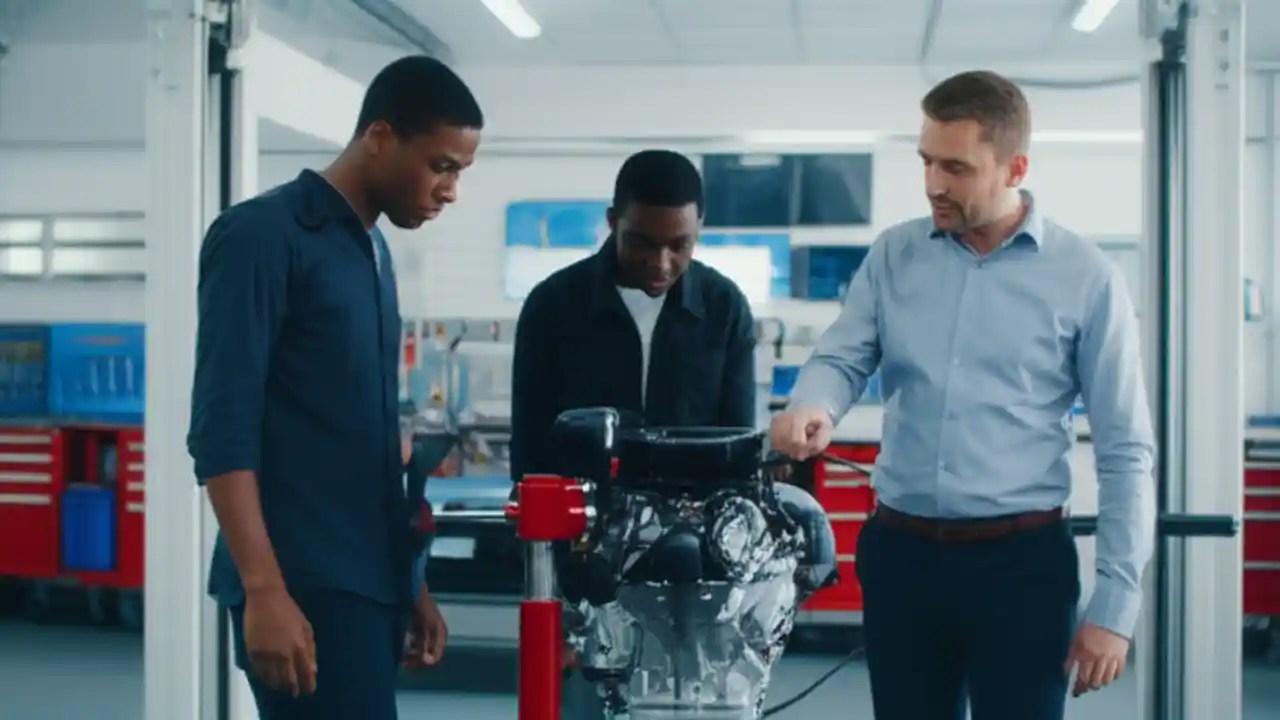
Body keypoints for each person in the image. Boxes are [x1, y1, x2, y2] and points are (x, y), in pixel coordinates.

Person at [770, 70, 1156, 720]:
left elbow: (1126, 451)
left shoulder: (1086, 277)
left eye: (956, 167)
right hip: (903, 558)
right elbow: (842, 355)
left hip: (1023, 567)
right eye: (926, 161)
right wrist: (814, 402)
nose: (933, 184)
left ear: (1015, 167)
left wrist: (1116, 607)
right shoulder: (895, 255)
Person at [187, 55, 482, 719]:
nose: (450, 190)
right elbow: (221, 429)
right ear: (379, 137)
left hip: (367, 578)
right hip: (301, 583)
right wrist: (264, 590)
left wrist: (412, 584)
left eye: (460, 172)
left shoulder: (372, 254)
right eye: (441, 165)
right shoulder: (262, 236)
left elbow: (369, 440)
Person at [509, 149, 758, 718]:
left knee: (686, 709)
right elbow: (530, 454)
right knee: (583, 706)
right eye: (643, 241)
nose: (662, 262)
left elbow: (736, 451)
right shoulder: (553, 306)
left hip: (694, 570)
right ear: (611, 221)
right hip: (582, 560)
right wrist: (550, 578)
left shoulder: (723, 308)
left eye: (680, 245)